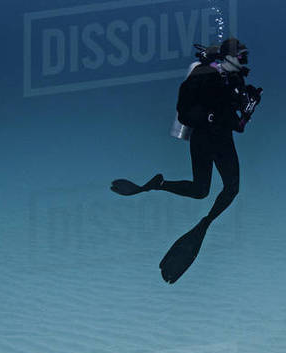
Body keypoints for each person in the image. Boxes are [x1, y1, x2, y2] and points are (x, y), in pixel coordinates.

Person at [111, 37, 262, 283]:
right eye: (242, 56)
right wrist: (238, 115)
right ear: (227, 57)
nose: (245, 61)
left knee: (216, 189)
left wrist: (247, 108)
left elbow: (236, 120)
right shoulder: (204, 76)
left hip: (217, 137)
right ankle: (188, 212)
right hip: (205, 137)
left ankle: (174, 197)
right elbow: (198, 114)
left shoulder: (234, 79)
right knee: (211, 189)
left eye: (246, 56)